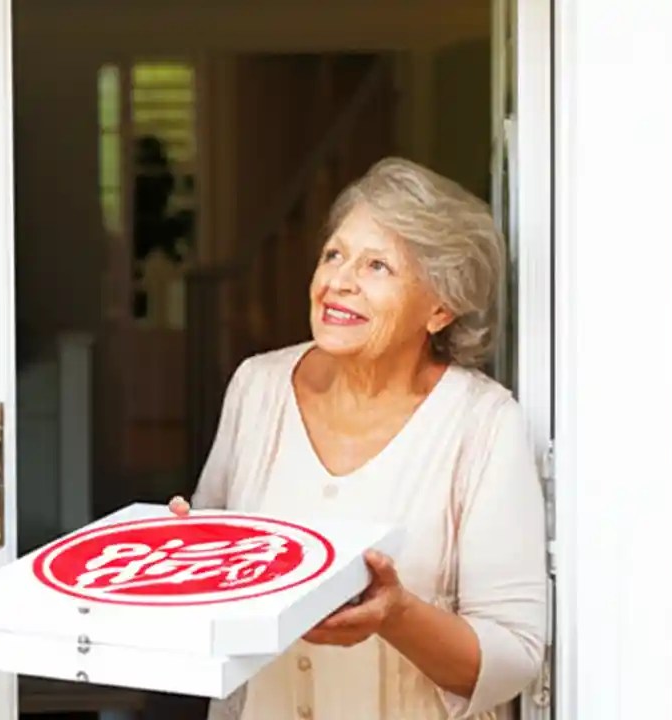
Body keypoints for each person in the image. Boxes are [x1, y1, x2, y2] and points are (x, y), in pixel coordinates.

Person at [170, 158, 547, 720]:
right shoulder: (258, 386)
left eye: (377, 266)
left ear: (440, 308)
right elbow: (216, 593)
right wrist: (182, 553)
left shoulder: (483, 422)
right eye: (334, 255)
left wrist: (397, 616)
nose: (338, 281)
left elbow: (515, 657)